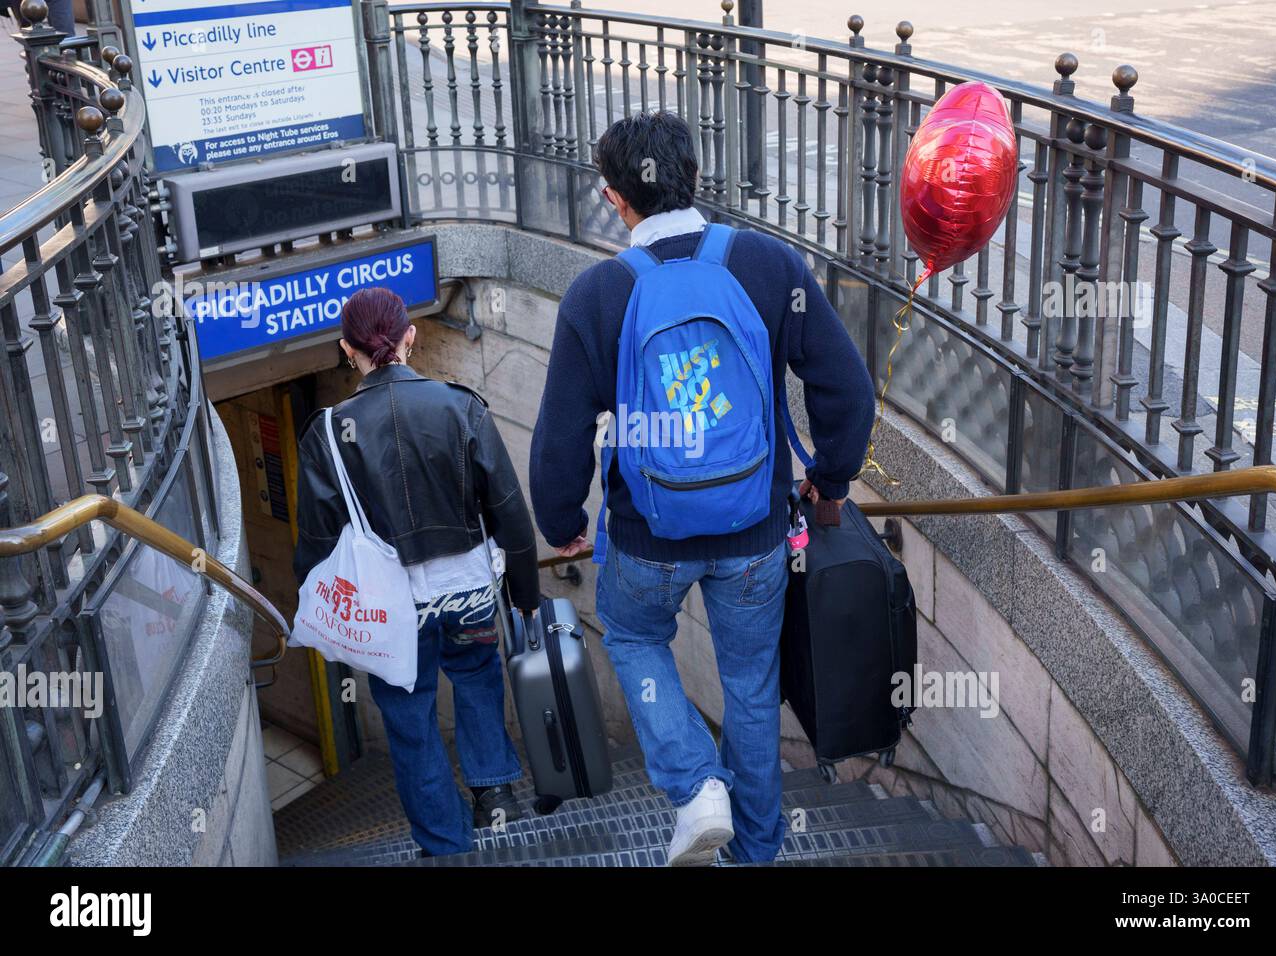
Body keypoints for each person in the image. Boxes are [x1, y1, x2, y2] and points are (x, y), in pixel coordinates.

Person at [529, 112, 874, 865]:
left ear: (615, 199)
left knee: (632, 633)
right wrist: (832, 479)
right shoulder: (768, 266)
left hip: (648, 536)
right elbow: (846, 386)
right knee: (751, 688)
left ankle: (693, 786)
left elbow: (560, 436)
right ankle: (755, 852)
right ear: (695, 179)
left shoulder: (597, 295)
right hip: (755, 533)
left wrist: (561, 520)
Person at [293, 286, 539, 856]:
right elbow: (510, 512)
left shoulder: (327, 434)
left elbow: (317, 542)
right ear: (410, 337)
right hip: (470, 592)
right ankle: (494, 792)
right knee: (477, 677)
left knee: (408, 717)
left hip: (390, 609)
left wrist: (318, 607)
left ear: (346, 350)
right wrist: (523, 591)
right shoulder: (461, 407)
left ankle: (444, 841)